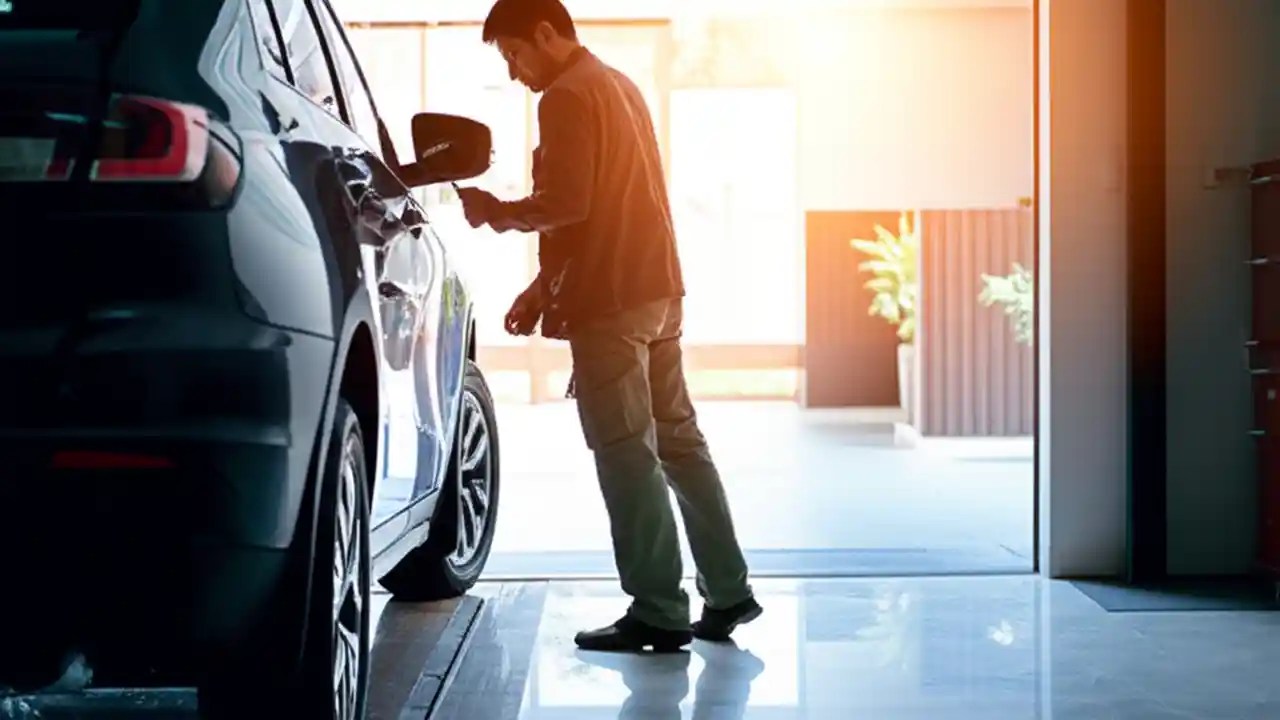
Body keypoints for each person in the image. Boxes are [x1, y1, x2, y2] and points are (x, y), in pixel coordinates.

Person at [457, 0, 761, 653]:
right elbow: (606, 205)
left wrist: (495, 211)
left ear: (545, 34)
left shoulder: (566, 96)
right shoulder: (618, 84)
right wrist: (543, 286)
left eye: (514, 54)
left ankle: (657, 609)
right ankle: (729, 590)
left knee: (626, 452)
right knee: (679, 443)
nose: (514, 72)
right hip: (658, 289)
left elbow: (569, 203)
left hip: (612, 303)